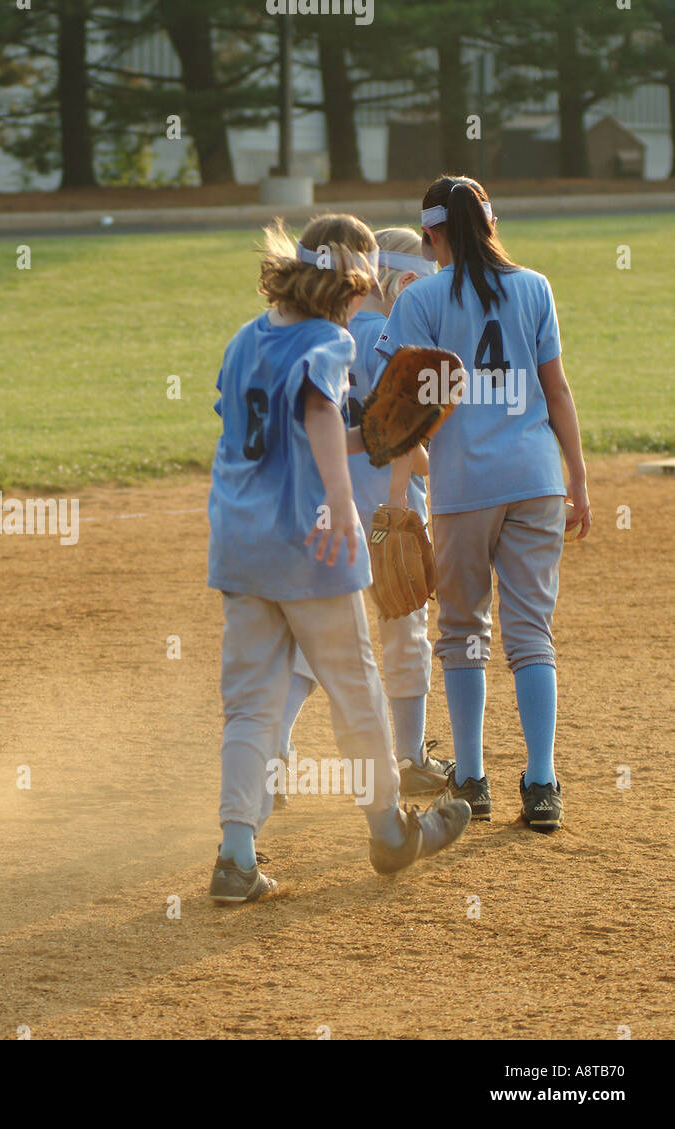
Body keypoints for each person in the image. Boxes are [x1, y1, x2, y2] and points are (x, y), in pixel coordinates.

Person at [206, 213, 471, 904]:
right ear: (345, 282)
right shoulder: (326, 339)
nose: (362, 301)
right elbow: (320, 415)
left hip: (240, 545)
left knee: (250, 707)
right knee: (356, 694)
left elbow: (271, 435)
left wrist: (373, 440)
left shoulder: (244, 340)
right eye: (361, 285)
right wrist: (340, 503)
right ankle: (390, 831)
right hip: (309, 543)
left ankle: (236, 855)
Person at [376, 175, 589, 832]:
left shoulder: (423, 298)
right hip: (536, 478)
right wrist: (578, 477)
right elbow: (557, 392)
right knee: (532, 634)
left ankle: (470, 780)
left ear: (432, 235)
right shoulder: (536, 287)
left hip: (464, 484)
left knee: (463, 631)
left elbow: (394, 409)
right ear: (491, 224)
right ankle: (544, 782)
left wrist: (394, 499)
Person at [275, 227, 452, 805]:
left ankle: (274, 750)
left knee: (311, 638)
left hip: (321, 508)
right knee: (405, 629)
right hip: (384, 509)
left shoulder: (325, 332)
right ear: (402, 284)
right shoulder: (398, 343)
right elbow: (401, 438)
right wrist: (406, 494)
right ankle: (407, 756)